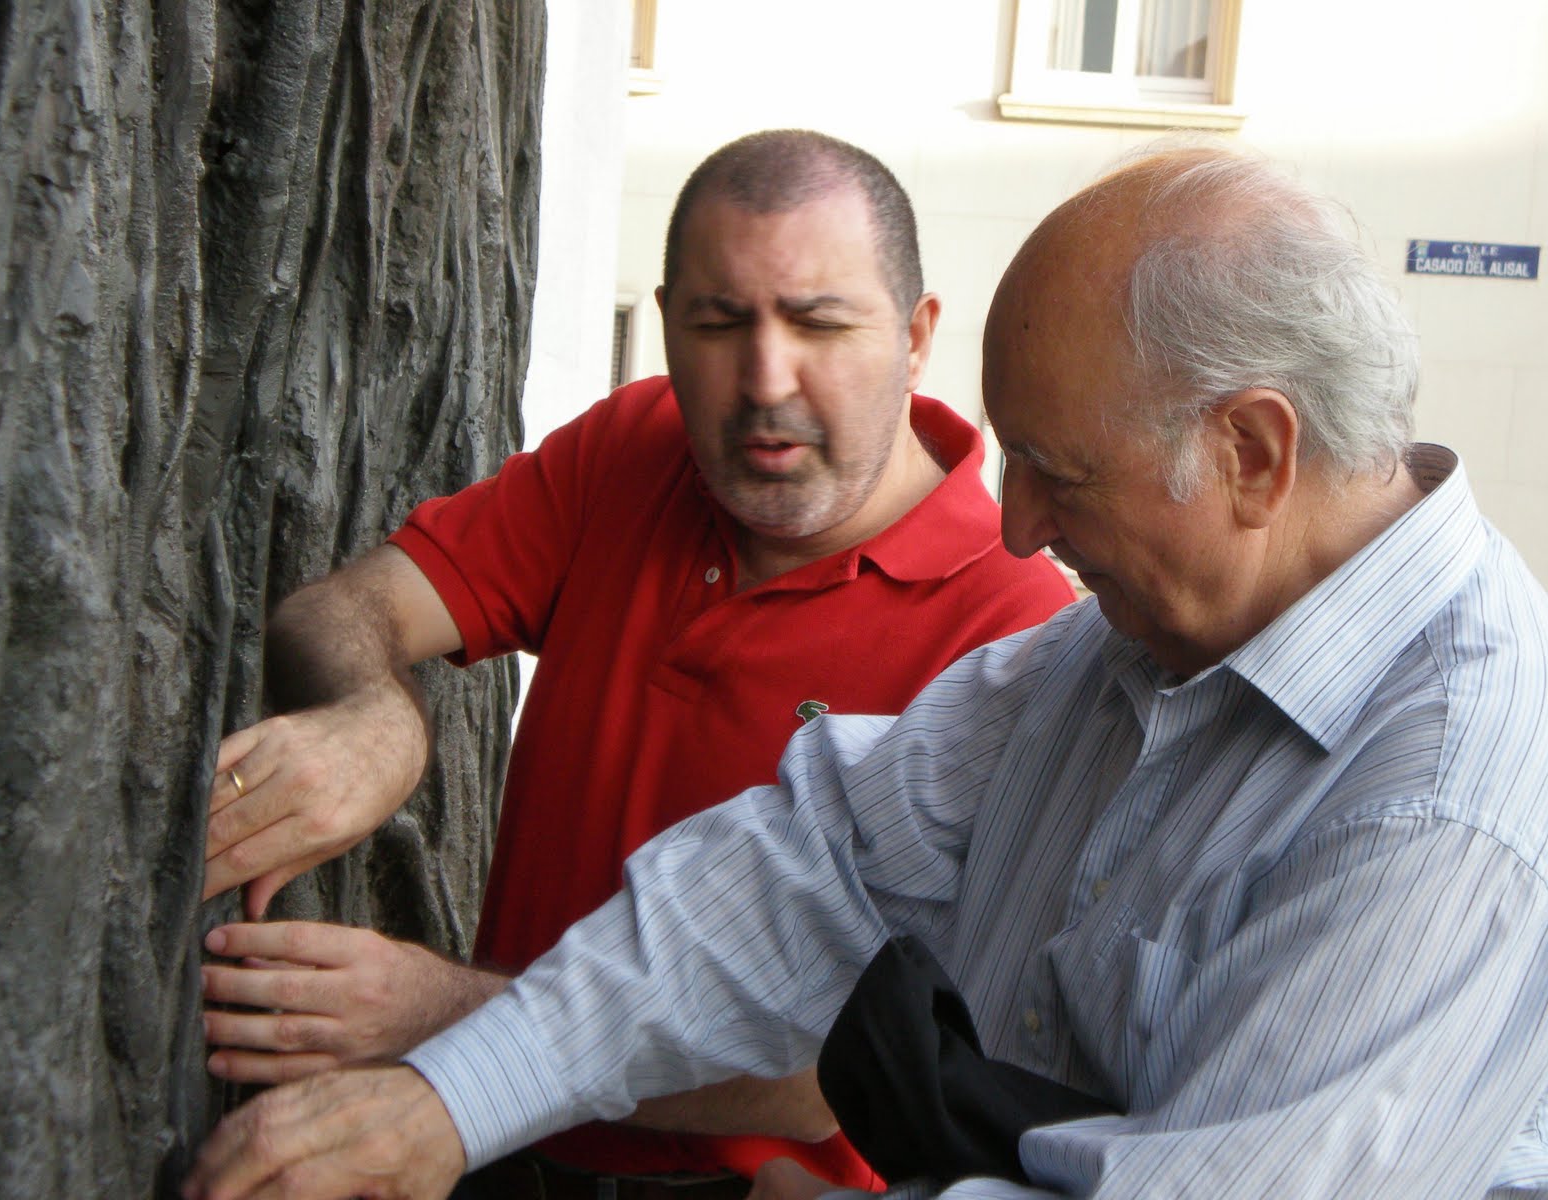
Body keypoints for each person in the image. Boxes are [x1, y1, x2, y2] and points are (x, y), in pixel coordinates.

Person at [186, 145, 1548, 1200]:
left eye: (1060, 476)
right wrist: (457, 1098)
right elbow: (809, 859)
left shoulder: (1443, 802)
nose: (1017, 528)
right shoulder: (1133, 651)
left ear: (1254, 455)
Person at [195, 128, 1075, 1195]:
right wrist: (373, 715)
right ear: (662, 324)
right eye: (718, 323)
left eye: (819, 323)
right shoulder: (635, 447)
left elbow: (841, 1066)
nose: (764, 379)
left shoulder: (1012, 630)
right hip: (475, 1153)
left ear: (916, 333)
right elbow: (345, 611)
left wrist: (444, 1017)